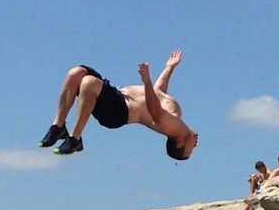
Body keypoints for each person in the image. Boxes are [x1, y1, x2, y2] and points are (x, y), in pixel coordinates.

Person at [39, 49, 198, 159]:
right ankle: (58, 127)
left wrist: (147, 81)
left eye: (190, 150)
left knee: (89, 82)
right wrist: (170, 67)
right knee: (76, 73)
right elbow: (159, 93)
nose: (195, 146)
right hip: (117, 95)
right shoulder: (177, 116)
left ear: (180, 144)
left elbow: (154, 109)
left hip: (118, 112)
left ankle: (75, 138)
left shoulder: (171, 128)